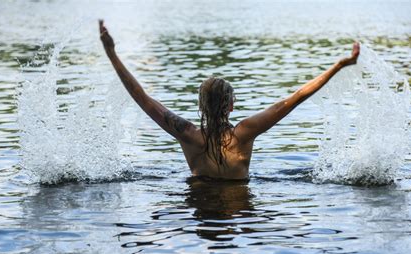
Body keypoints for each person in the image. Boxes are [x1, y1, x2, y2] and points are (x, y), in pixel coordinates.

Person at [99, 20, 360, 180]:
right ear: (231, 105)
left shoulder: (188, 134)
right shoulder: (243, 134)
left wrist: (112, 54)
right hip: (240, 208)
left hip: (198, 203)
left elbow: (142, 98)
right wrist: (338, 65)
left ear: (200, 106)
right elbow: (295, 98)